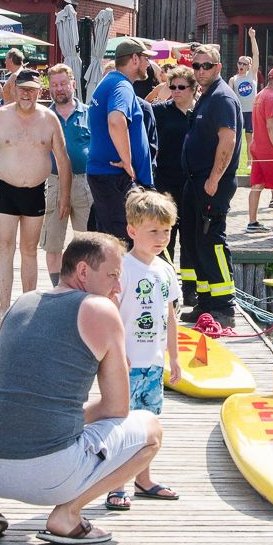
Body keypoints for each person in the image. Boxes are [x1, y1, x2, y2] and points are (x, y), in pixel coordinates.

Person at [0, 233, 162, 545]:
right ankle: (69, 514)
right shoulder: (101, 310)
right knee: (152, 430)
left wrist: (21, 396)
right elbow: (117, 408)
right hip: (51, 478)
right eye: (113, 276)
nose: (118, 287)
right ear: (82, 272)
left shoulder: (22, 303)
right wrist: (62, 414)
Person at [104, 189, 183, 511]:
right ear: (132, 230)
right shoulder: (122, 269)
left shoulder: (164, 269)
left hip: (153, 362)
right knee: (122, 424)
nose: (161, 237)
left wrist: (174, 356)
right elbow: (109, 314)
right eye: (153, 231)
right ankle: (117, 484)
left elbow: (169, 315)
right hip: (125, 364)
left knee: (149, 423)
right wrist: (115, 353)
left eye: (166, 230)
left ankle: (143, 478)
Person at [0, 69, 71, 312]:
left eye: (32, 89)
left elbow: (63, 159)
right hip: (5, 190)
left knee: (29, 250)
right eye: (23, 88)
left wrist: (65, 197)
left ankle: (26, 308)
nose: (27, 94)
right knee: (4, 247)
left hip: (36, 191)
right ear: (15, 89)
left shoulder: (49, 119)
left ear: (40, 91)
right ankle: (4, 308)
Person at [178, 44, 242, 325]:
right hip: (195, 183)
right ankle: (205, 302)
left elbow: (227, 140)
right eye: (196, 65)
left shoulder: (222, 98)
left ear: (218, 67)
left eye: (206, 65)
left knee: (212, 241)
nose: (200, 70)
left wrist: (215, 179)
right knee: (194, 243)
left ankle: (224, 306)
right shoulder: (205, 96)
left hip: (212, 184)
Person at [87, 38, 154, 243]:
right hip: (115, 177)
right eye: (145, 59)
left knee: (111, 242)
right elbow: (116, 120)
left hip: (107, 176)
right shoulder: (121, 85)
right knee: (122, 244)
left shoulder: (109, 81)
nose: (148, 65)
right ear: (134, 59)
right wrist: (127, 161)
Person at [42, 64, 94, 283]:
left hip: (84, 183)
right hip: (53, 183)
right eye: (54, 85)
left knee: (89, 243)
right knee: (53, 243)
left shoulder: (89, 113)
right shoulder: (44, 116)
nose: (59, 89)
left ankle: (86, 289)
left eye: (63, 83)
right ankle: (57, 290)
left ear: (72, 84)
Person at [150, 64, 195, 265]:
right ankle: (165, 288)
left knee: (190, 239)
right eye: (173, 86)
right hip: (165, 182)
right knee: (164, 237)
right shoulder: (160, 111)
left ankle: (189, 290)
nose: (176, 91)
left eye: (181, 87)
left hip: (192, 183)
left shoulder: (201, 111)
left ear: (192, 88)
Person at [245, 67, 273, 232]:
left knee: (257, 185)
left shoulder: (260, 95)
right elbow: (271, 126)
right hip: (270, 151)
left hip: (258, 148)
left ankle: (252, 222)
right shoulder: (272, 98)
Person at [229, 29, 258, 139]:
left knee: (249, 136)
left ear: (248, 66)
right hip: (239, 111)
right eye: (239, 63)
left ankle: (250, 157)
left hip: (251, 111)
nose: (241, 65)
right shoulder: (233, 79)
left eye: (244, 64)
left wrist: (252, 38)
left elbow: (256, 54)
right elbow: (229, 94)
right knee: (236, 137)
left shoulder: (252, 74)